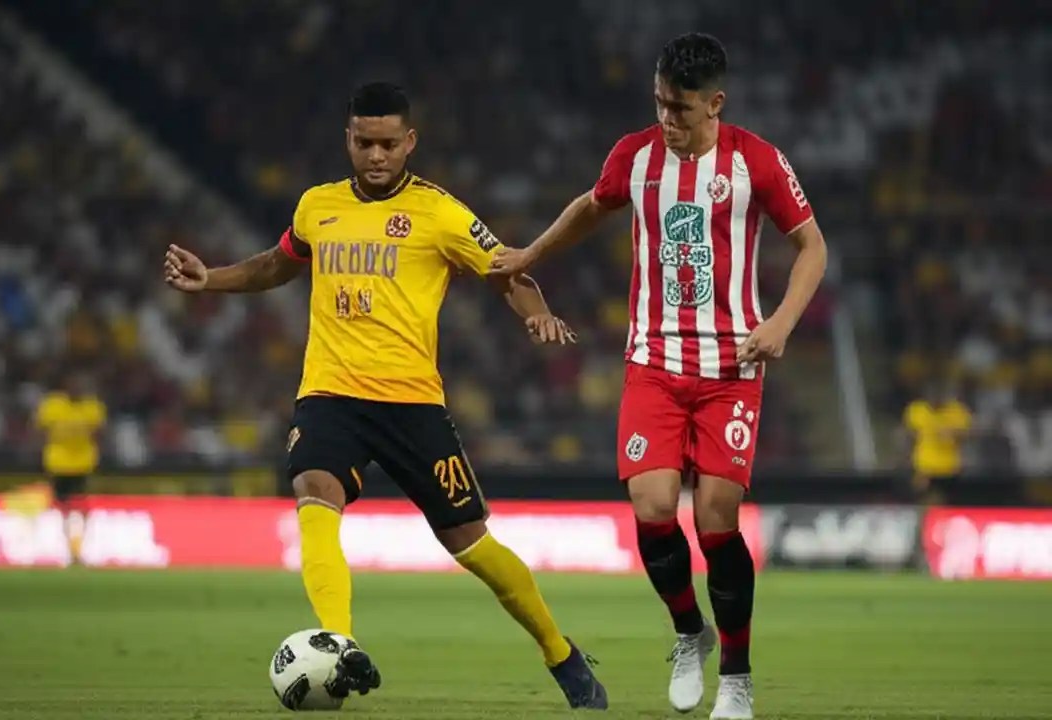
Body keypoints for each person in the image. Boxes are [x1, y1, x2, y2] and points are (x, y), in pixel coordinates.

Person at [163, 82, 607, 710]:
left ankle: (560, 653)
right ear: (348, 139)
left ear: (410, 143)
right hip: (330, 394)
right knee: (313, 490)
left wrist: (534, 313)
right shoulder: (317, 206)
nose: (376, 155)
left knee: (471, 544)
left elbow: (509, 269)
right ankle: (337, 646)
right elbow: (275, 264)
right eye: (365, 142)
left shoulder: (440, 213)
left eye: (388, 144)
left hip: (411, 405)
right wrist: (212, 280)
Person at [489, 33, 828, 720]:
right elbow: (590, 205)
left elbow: (812, 247)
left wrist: (783, 322)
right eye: (659, 104)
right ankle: (687, 633)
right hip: (654, 364)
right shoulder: (634, 156)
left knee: (716, 520)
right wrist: (531, 252)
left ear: (715, 104)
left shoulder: (757, 161)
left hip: (733, 367)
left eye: (679, 108)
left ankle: (737, 675)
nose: (667, 120)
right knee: (650, 508)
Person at [35, 373, 107, 566]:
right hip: (58, 463)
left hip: (83, 463)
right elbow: (39, 431)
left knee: (83, 507)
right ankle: (68, 549)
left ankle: (81, 547)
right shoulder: (53, 405)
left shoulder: (92, 407)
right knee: (63, 509)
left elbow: (100, 432)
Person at [902, 381, 972, 504]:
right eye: (932, 396)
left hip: (950, 467)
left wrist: (954, 433)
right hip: (924, 467)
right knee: (923, 500)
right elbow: (909, 436)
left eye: (939, 396)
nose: (935, 399)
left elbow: (969, 435)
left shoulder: (957, 411)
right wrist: (909, 464)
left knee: (949, 503)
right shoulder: (916, 410)